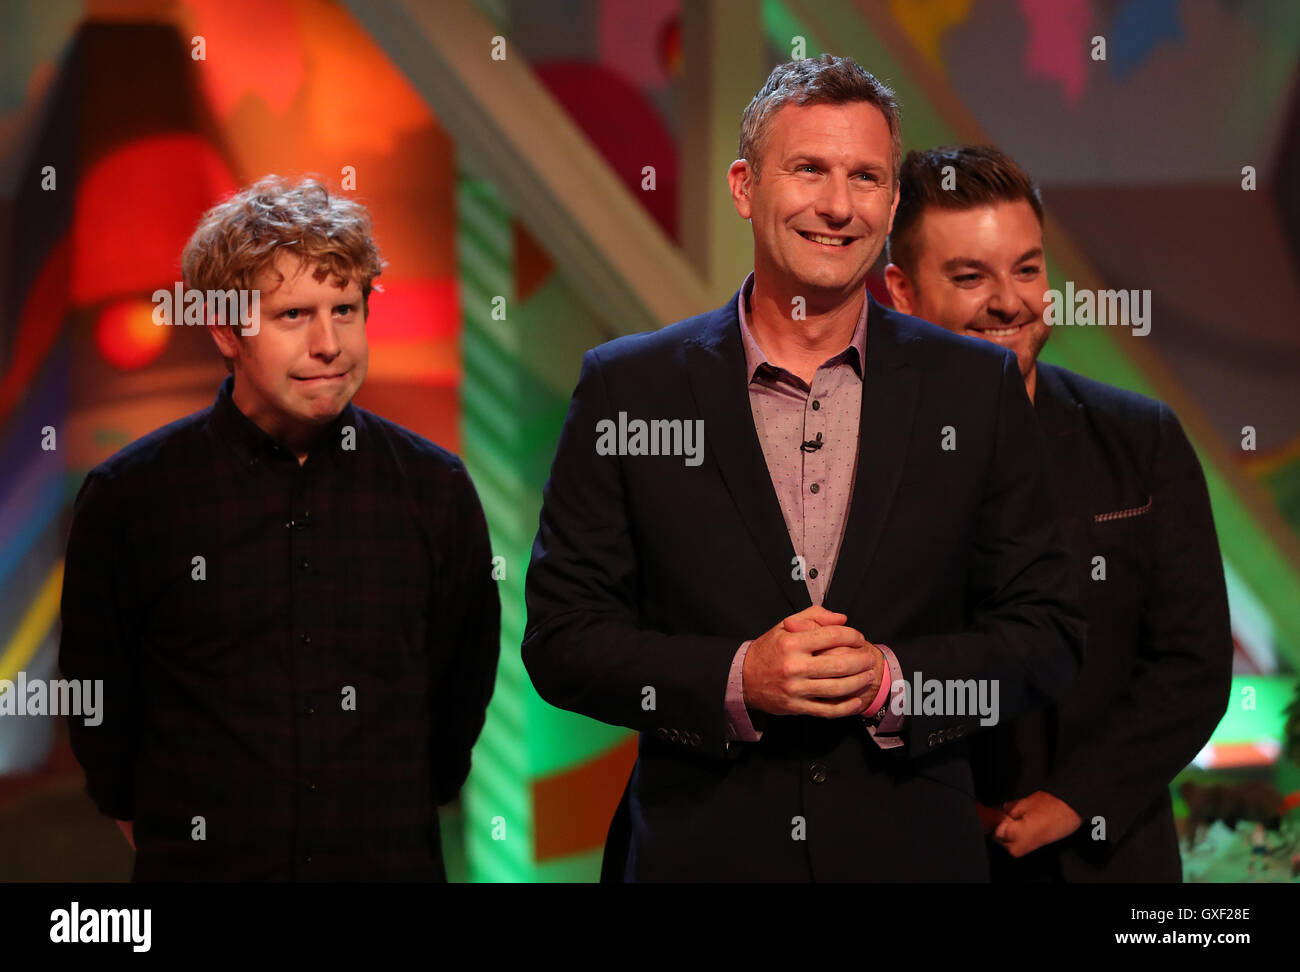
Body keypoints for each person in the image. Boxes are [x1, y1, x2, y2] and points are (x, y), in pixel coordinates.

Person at [523, 56, 1084, 881]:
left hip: (910, 859)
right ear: (746, 186)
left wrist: (898, 683)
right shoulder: (628, 385)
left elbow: (1048, 635)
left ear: (892, 204)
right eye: (809, 170)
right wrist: (737, 678)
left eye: (865, 177)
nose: (837, 205)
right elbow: (564, 640)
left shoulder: (976, 388)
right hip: (701, 857)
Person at [58, 176, 500, 881]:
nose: (329, 343)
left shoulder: (434, 490)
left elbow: (461, 686)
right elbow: (99, 697)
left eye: (346, 310)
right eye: (294, 314)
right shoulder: (132, 498)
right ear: (225, 329)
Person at [883, 145, 1232, 881]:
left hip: (1107, 860)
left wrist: (1075, 800)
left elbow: (1194, 666)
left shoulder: (1141, 440)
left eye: (1027, 268)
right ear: (901, 292)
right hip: (920, 851)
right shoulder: (852, 450)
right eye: (970, 276)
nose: (1009, 300)